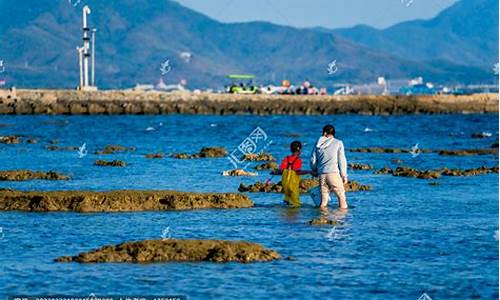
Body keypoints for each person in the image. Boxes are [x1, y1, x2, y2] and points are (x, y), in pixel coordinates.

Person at [310, 125, 348, 209]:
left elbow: (313, 159)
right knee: (341, 197)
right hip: (333, 173)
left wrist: (314, 170)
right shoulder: (338, 142)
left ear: (324, 133)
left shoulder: (318, 143)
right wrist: (344, 175)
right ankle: (342, 219)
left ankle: (322, 219)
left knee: (323, 200)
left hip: (322, 174)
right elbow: (342, 160)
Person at [273, 141, 309, 207]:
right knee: (296, 204)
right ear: (299, 150)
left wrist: (275, 172)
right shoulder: (298, 160)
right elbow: (297, 172)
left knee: (287, 199)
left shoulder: (286, 158)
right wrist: (309, 172)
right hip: (293, 184)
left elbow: (281, 171)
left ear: (290, 149)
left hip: (285, 184)